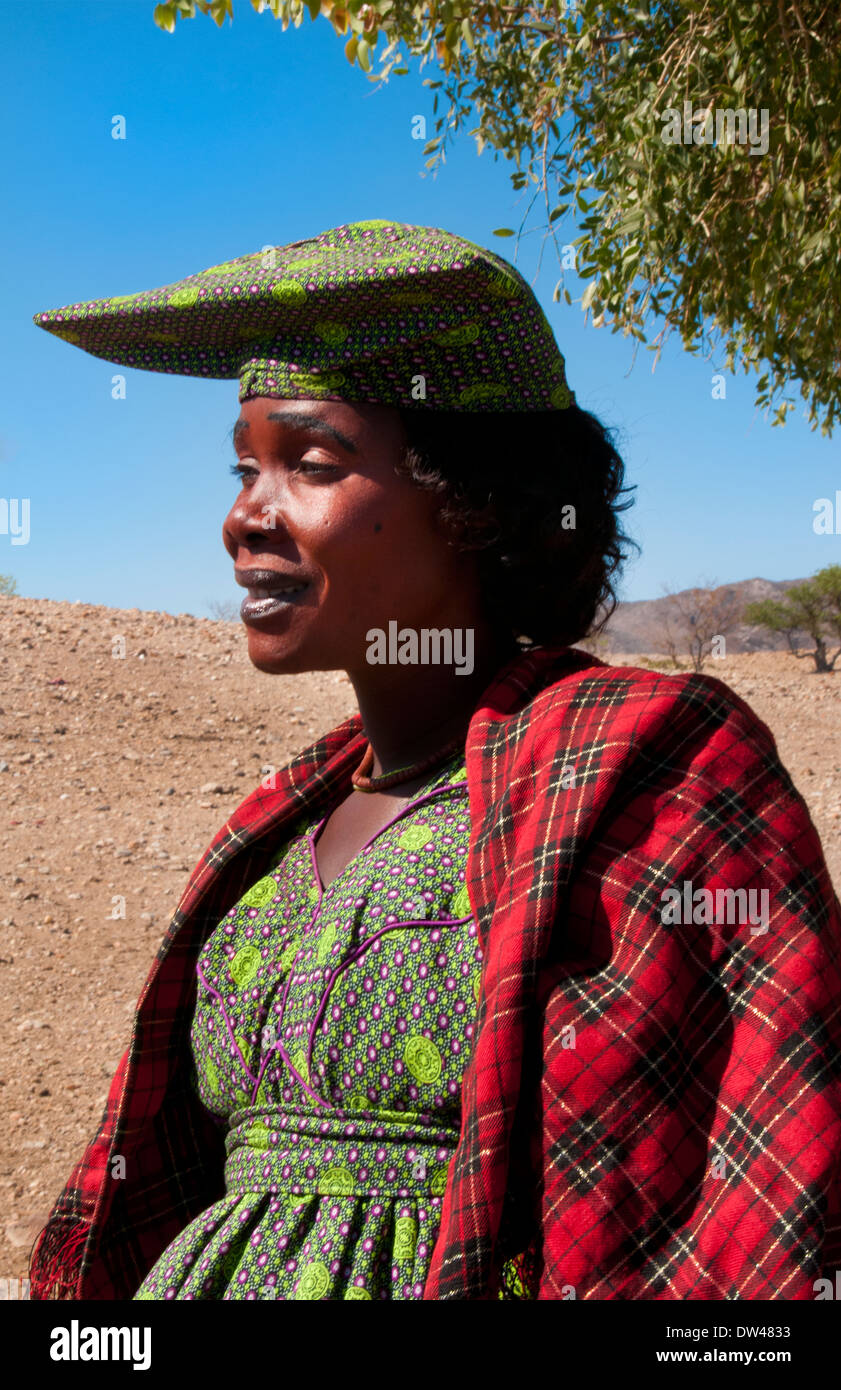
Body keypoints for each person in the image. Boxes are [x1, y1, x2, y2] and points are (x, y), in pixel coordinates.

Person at [28, 220, 841, 1301]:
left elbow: (749, 1208)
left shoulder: (649, 771)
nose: (242, 518)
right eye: (243, 469)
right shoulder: (279, 825)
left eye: (310, 464)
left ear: (474, 502)